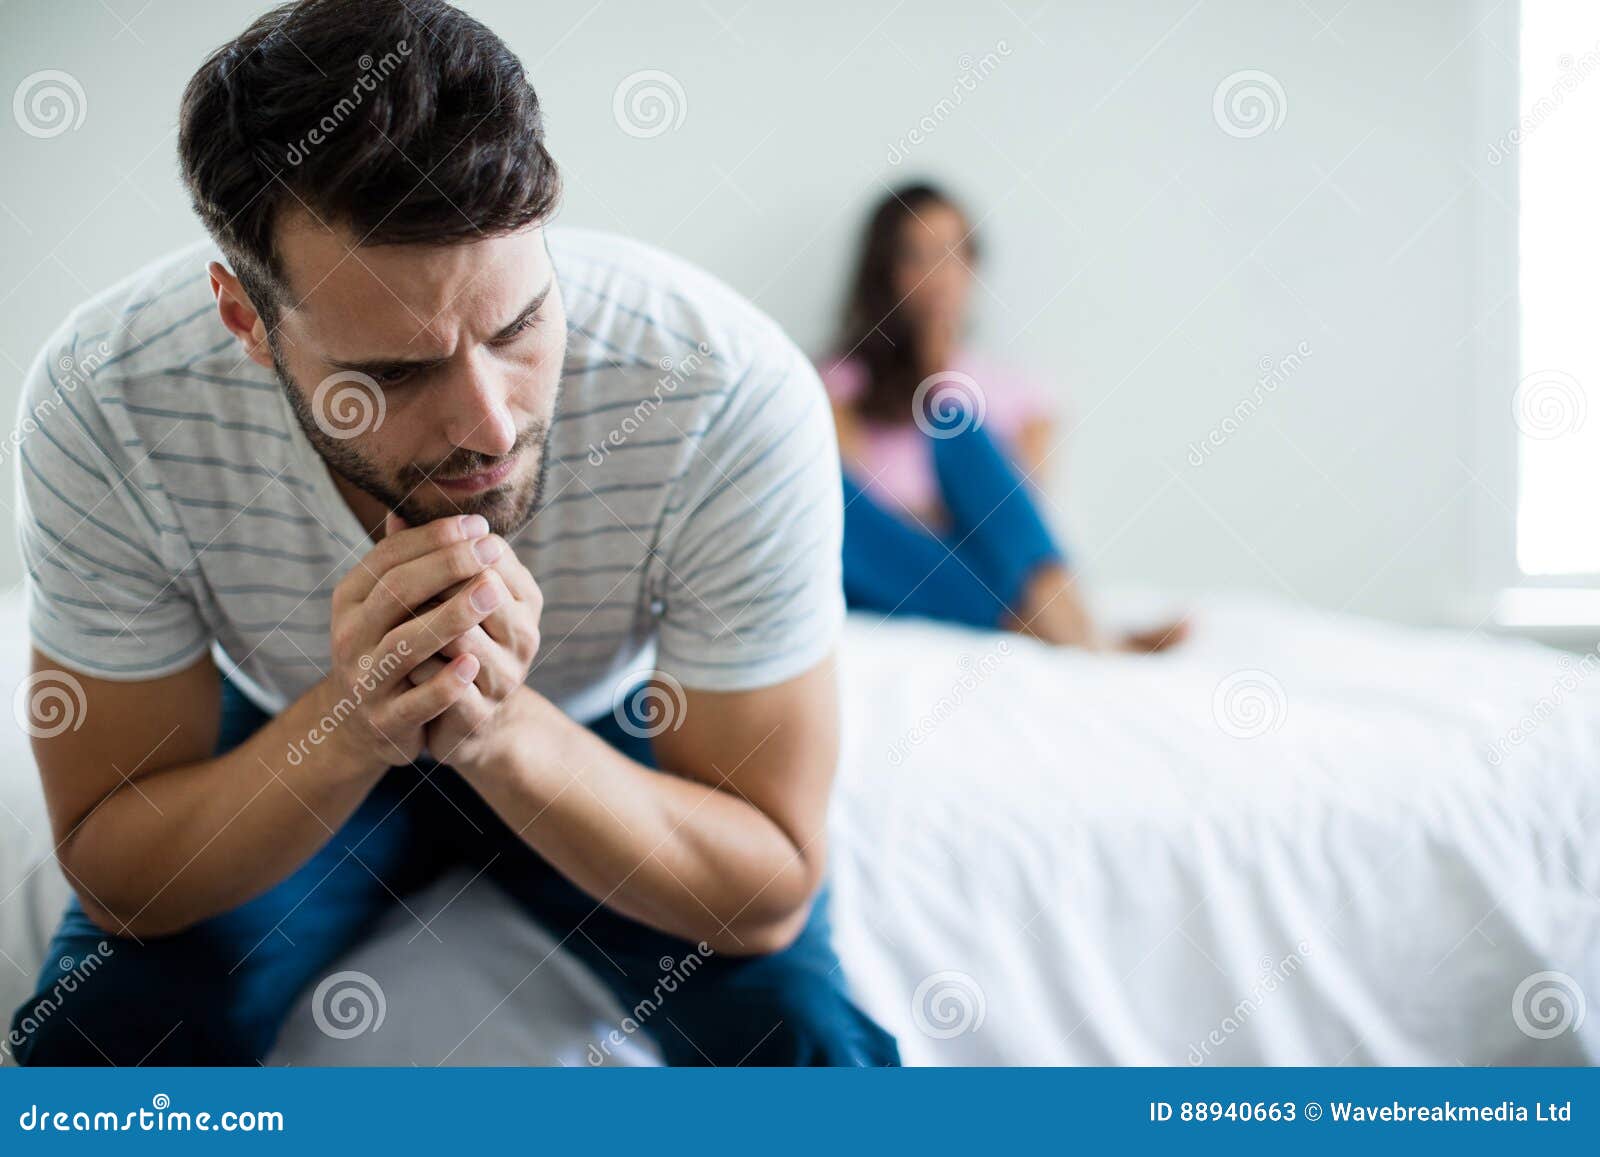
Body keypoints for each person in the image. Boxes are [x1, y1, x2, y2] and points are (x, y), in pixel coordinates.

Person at [6, 0, 896, 1068]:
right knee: (97, 1045)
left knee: (809, 1057)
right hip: (286, 723)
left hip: (600, 728)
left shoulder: (723, 391)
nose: (489, 423)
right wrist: (349, 726)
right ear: (245, 320)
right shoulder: (105, 402)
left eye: (518, 327)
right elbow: (115, 868)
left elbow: (763, 892)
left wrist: (494, 730)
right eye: (393, 372)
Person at [821, 183, 1187, 652]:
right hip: (894, 570)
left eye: (953, 254)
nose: (940, 275)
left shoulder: (1020, 395)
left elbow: (1019, 518)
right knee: (827, 491)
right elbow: (862, 521)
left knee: (957, 428)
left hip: (987, 560)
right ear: (885, 273)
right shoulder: (837, 388)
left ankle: (1065, 624)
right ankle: (1083, 635)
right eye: (918, 256)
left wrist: (939, 379)